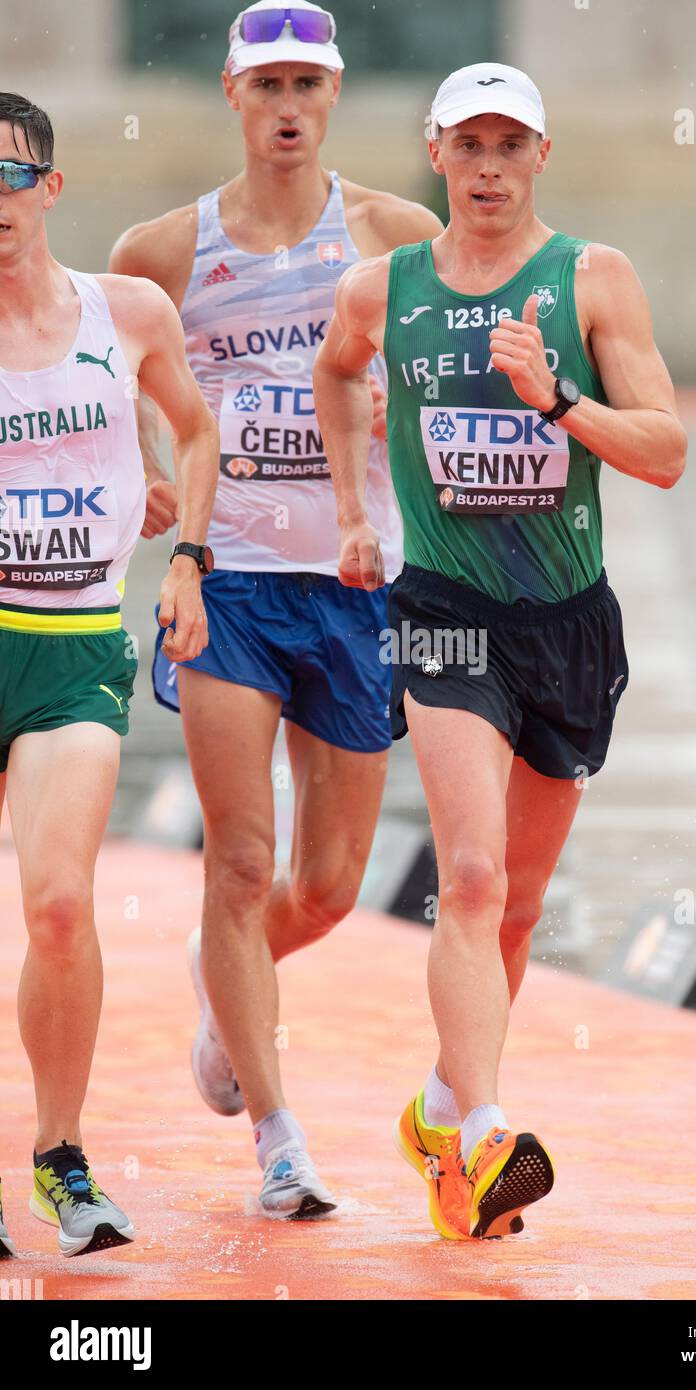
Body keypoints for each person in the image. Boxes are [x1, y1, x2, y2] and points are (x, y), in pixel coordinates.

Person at [313, 62, 688, 1239]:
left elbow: (666, 449)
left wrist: (555, 402)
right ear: (435, 155)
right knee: (467, 880)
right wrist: (354, 513)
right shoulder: (383, 288)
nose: (485, 168)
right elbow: (333, 372)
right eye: (465, 146)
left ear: (539, 158)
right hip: (444, 611)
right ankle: (482, 1137)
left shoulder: (592, 279)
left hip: (567, 620)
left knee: (517, 907)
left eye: (506, 147)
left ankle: (435, 1111)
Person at [109, 1, 443, 1216]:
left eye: (308, 83)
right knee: (240, 860)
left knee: (328, 883)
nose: (288, 105)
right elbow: (103, 352)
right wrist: (146, 462)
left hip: (358, 584)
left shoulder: (394, 235)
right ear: (233, 96)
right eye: (268, 86)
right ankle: (278, 1139)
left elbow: (446, 356)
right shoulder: (166, 249)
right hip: (229, 580)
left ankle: (217, 980)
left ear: (336, 94)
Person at [0, 93, 217, 1256]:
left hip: (75, 642)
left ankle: (59, 1157)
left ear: (49, 190)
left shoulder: (124, 310)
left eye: (6, 175)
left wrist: (183, 549)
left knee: (58, 903)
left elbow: (196, 428)